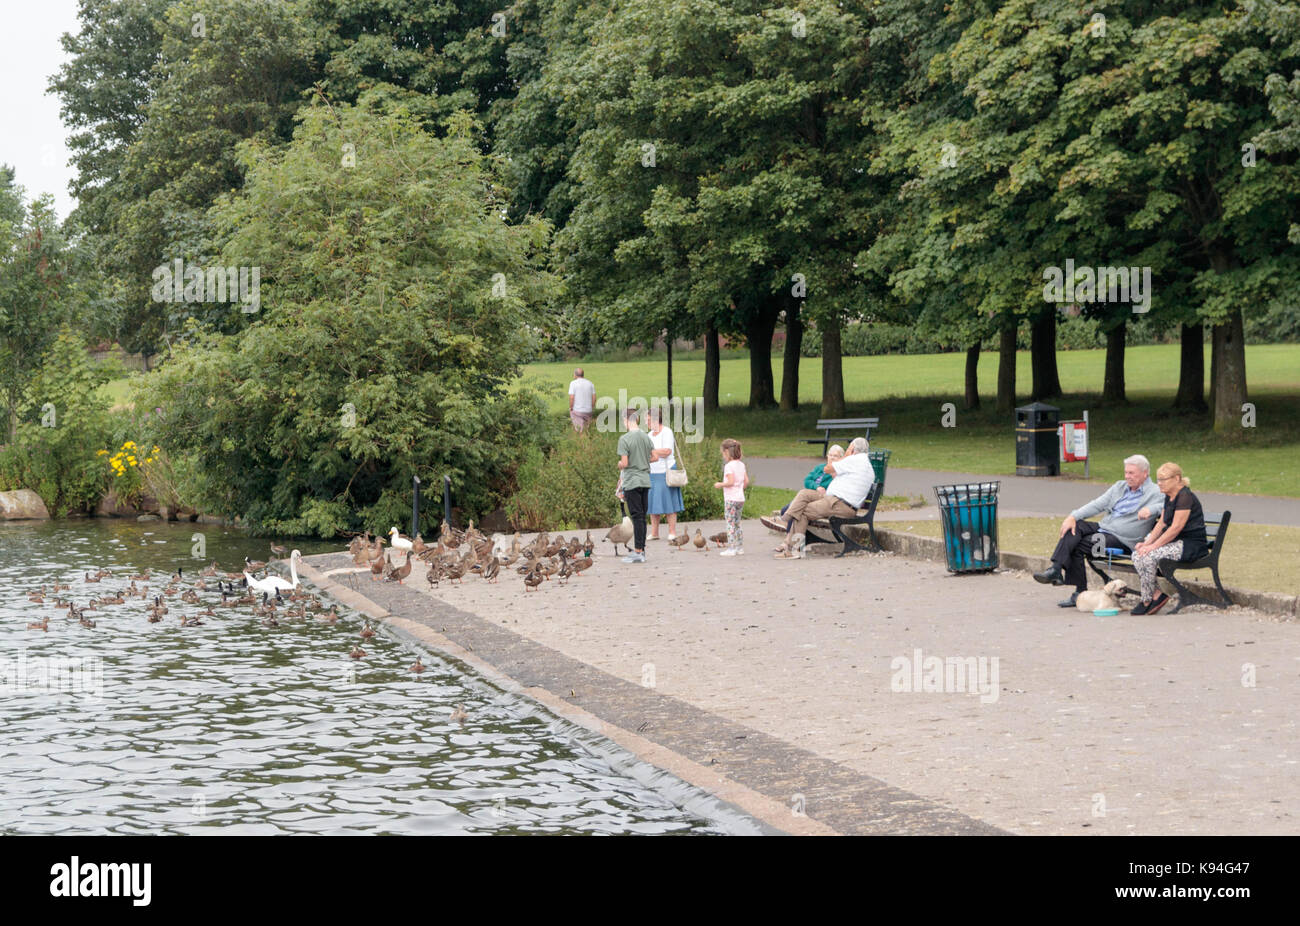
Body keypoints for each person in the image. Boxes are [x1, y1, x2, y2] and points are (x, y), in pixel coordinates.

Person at [1033, 454, 1163, 608]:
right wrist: (1072, 516)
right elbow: (1097, 504)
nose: (1127, 476)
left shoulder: (1155, 492)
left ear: (1145, 473)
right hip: (1105, 528)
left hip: (1122, 538)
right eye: (1126, 472)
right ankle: (1055, 568)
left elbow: (1167, 506)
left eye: (1131, 473)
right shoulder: (1119, 487)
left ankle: (1078, 592)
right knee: (1074, 526)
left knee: (1079, 544)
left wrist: (1151, 509)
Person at [775, 437, 874, 559]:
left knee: (802, 512)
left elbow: (827, 468)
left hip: (838, 504)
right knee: (804, 493)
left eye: (848, 448)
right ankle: (785, 519)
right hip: (835, 501)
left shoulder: (853, 461)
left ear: (853, 449)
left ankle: (795, 550)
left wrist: (846, 456)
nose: (847, 450)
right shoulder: (865, 464)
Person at [1130, 462, 1208, 615]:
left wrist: (1153, 547)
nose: (1159, 483)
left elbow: (1175, 528)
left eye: (1163, 479)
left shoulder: (1185, 496)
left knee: (1148, 556)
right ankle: (1156, 595)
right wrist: (1146, 543)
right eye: (1158, 479)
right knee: (1138, 554)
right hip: (1175, 543)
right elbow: (1162, 522)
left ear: (1177, 478)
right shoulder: (1169, 496)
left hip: (1190, 545)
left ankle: (1146, 600)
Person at [760, 445, 843, 534]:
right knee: (785, 510)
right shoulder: (820, 467)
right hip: (810, 494)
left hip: (822, 499)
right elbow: (807, 480)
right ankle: (788, 533)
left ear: (841, 458)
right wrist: (816, 487)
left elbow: (832, 489)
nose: (832, 458)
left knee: (797, 510)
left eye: (835, 456)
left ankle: (788, 535)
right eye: (830, 455)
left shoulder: (838, 472)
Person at [616, 406, 653, 563]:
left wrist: (620, 464)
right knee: (642, 517)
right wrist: (641, 461)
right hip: (645, 480)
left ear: (626, 420)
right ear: (637, 419)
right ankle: (641, 549)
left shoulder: (624, 439)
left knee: (636, 517)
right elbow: (654, 457)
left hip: (632, 481)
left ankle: (638, 552)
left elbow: (625, 462)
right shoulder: (646, 437)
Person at [646, 407, 685, 541]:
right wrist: (655, 452)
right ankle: (655, 532)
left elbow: (667, 451)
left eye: (649, 419)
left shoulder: (667, 431)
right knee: (652, 502)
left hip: (666, 471)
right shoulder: (649, 435)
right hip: (652, 472)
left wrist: (653, 452)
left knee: (670, 502)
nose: (647, 422)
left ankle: (672, 531)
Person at [713, 439, 749, 556]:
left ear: (727, 452)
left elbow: (730, 481)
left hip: (730, 499)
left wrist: (720, 484)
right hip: (740, 498)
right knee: (738, 523)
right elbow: (746, 481)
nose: (723, 456)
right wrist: (740, 489)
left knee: (730, 523)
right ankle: (740, 547)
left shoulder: (729, 466)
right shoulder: (741, 465)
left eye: (723, 453)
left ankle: (731, 548)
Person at [568, 368, 596, 432]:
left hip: (578, 411)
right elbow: (594, 398)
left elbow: (572, 398)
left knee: (579, 431)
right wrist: (591, 408)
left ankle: (581, 440)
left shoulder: (573, 383)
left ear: (575, 375)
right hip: (589, 411)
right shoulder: (590, 383)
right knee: (586, 430)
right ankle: (587, 439)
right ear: (583, 375)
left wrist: (571, 408)